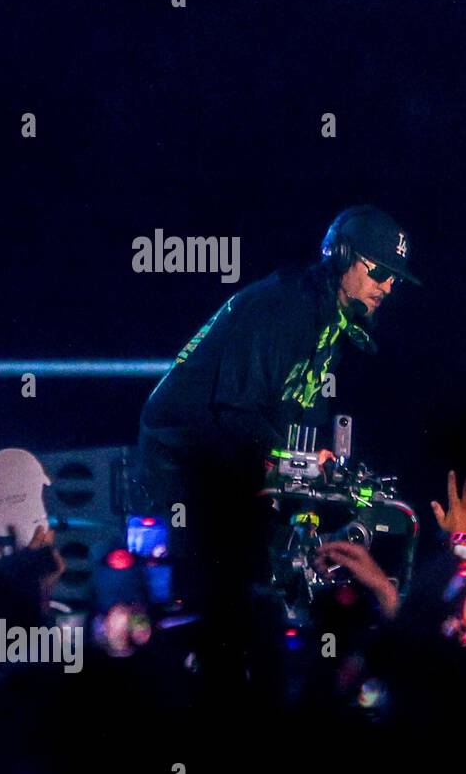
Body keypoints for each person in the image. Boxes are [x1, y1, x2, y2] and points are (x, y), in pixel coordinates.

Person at [135, 205, 419, 691]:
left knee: (269, 586)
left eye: (396, 278)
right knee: (210, 604)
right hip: (185, 464)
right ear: (343, 256)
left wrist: (309, 481)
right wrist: (298, 466)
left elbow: (292, 415)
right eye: (380, 271)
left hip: (233, 462)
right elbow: (237, 410)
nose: (389, 286)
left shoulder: (331, 324)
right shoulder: (284, 306)